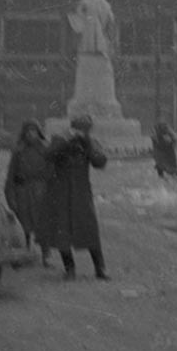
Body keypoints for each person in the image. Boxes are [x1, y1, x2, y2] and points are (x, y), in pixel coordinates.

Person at [41, 114, 110, 281]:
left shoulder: (89, 142)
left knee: (90, 230)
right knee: (62, 232)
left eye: (85, 129)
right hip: (61, 192)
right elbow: (48, 155)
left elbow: (100, 162)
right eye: (79, 128)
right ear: (72, 127)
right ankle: (69, 268)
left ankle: (100, 268)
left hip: (81, 193)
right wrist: (65, 141)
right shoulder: (60, 139)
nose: (81, 132)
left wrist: (87, 144)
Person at [4, 121, 51, 265]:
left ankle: (46, 256)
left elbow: (51, 173)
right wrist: (11, 197)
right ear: (24, 134)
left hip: (40, 192)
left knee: (43, 226)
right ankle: (23, 254)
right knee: (23, 226)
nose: (32, 135)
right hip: (22, 192)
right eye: (28, 132)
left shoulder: (45, 150)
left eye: (34, 131)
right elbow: (11, 176)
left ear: (39, 133)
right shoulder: (18, 151)